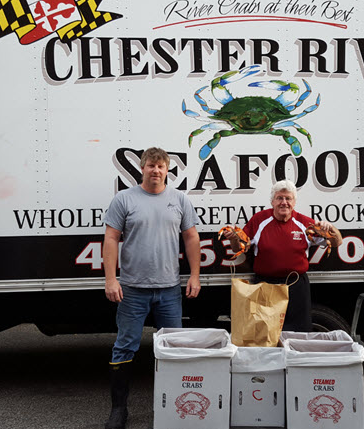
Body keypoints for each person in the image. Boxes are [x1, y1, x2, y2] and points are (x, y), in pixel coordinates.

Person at [101, 147, 201, 429]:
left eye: (160, 166)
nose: (155, 171)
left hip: (170, 290)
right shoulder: (124, 199)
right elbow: (111, 239)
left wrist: (195, 276)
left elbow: (192, 239)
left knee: (174, 350)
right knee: (124, 348)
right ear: (141, 169)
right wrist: (111, 279)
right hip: (132, 290)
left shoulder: (180, 200)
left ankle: (178, 409)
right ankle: (119, 410)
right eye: (150, 166)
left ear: (167, 170)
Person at [222, 179, 342, 332]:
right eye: (279, 198)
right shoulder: (259, 221)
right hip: (266, 286)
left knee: (299, 334)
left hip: (296, 286)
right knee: (265, 335)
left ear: (294, 202)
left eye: (288, 198)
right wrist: (233, 238)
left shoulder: (305, 223)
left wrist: (331, 229)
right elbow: (238, 248)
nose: (284, 202)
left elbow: (337, 242)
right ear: (272, 201)